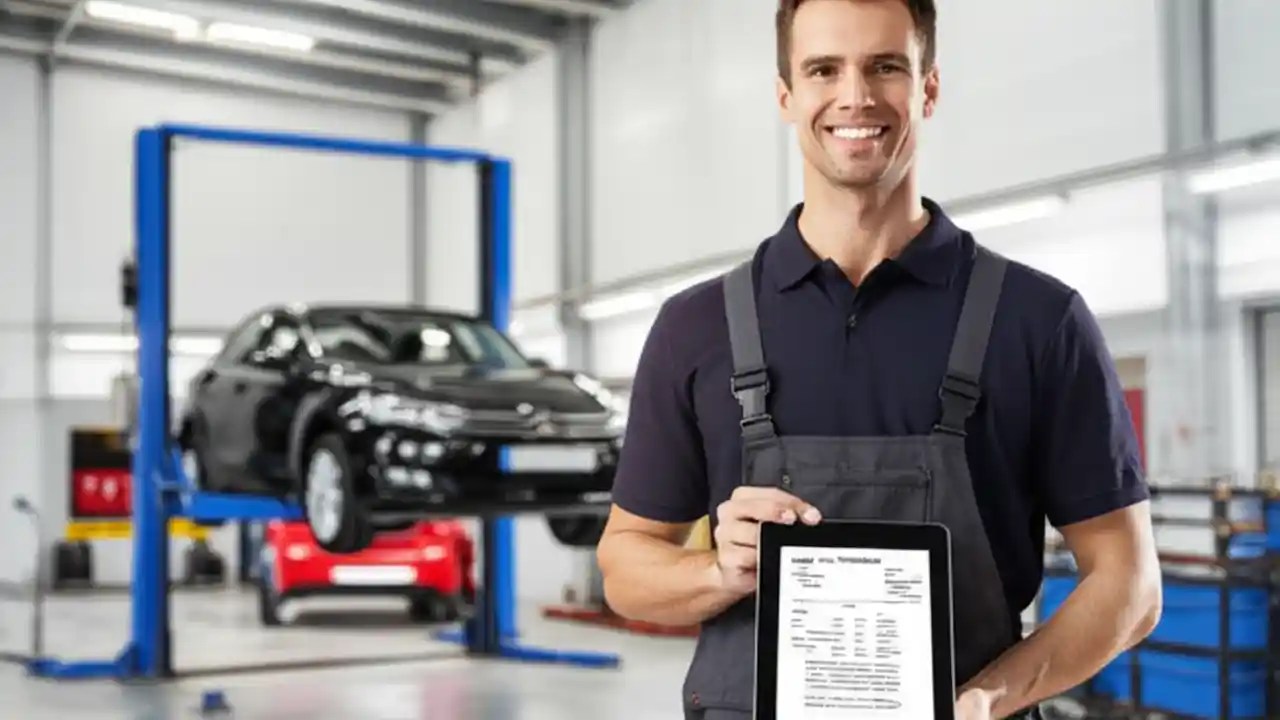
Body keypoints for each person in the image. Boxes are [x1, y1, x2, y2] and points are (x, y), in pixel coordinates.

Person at [595, 0, 1164, 718]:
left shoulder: (1038, 321)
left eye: (886, 66)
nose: (855, 96)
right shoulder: (696, 328)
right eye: (823, 69)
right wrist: (720, 569)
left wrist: (990, 698)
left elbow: (1129, 583)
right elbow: (625, 565)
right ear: (786, 95)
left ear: (928, 87)